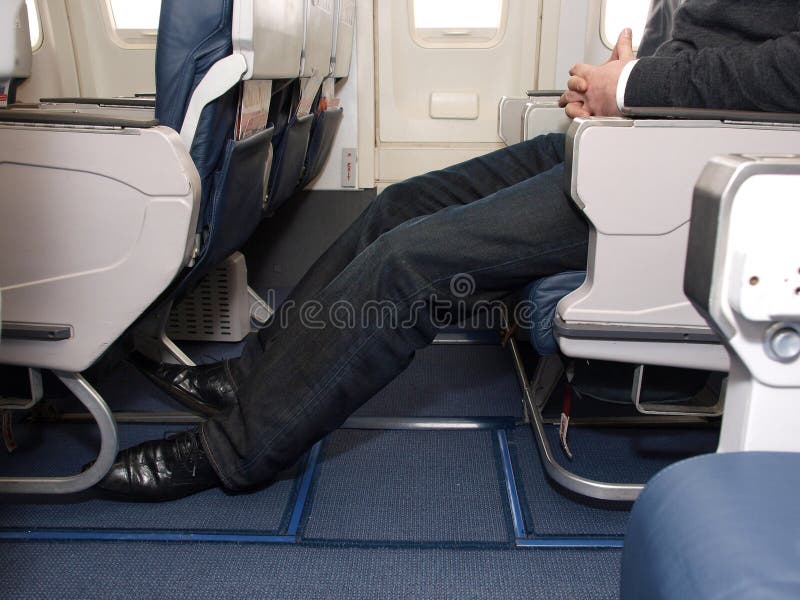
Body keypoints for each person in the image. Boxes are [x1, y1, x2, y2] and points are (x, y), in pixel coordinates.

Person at [95, 0, 800, 501]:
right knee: (395, 205)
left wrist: (636, 86)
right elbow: (709, 50)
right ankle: (256, 373)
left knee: (413, 263)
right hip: (643, 140)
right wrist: (629, 75)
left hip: (699, 175)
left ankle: (237, 452)